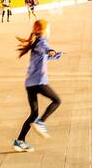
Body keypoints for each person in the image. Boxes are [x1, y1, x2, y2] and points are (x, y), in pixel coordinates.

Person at [13, 19, 62, 153]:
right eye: (49, 29)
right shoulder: (41, 42)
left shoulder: (35, 42)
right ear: (44, 30)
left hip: (29, 83)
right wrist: (51, 51)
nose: (49, 31)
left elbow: (44, 55)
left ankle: (20, 141)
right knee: (57, 101)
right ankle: (41, 122)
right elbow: (45, 49)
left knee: (33, 113)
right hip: (39, 82)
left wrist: (55, 55)